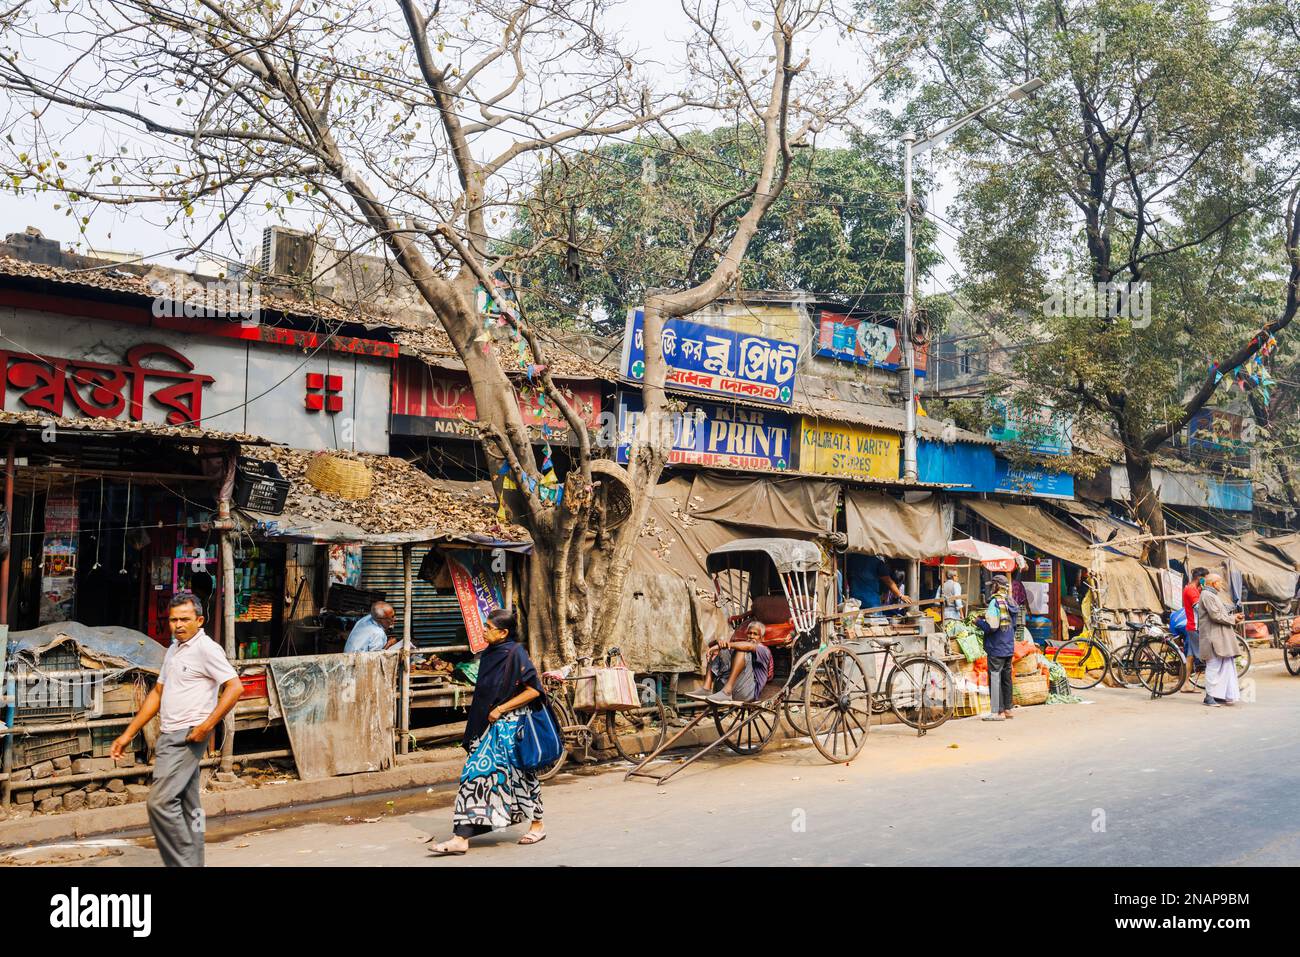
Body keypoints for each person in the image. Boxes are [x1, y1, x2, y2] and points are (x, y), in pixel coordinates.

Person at [111, 592, 243, 867]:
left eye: (184, 619)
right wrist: (128, 733)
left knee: (159, 803)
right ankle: (194, 862)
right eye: (173, 620)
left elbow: (234, 687)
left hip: (188, 734)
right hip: (170, 733)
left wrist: (206, 726)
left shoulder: (206, 648)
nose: (178, 625)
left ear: (199, 620)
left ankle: (182, 864)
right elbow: (158, 694)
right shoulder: (174, 649)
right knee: (188, 805)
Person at [429, 610, 545, 856]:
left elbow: (533, 691)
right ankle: (462, 837)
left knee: (521, 778)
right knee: (478, 778)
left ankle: (537, 824)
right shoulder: (490, 653)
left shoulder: (516, 653)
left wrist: (501, 708)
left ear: (503, 632)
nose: (482, 630)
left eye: (488, 627)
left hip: (509, 729)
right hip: (487, 728)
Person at [696, 621, 774, 705]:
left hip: (747, 693)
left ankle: (727, 691)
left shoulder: (763, 650)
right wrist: (719, 644)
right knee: (721, 650)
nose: (751, 636)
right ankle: (706, 688)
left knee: (741, 651)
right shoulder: (742, 645)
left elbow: (749, 646)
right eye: (749, 633)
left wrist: (726, 644)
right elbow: (715, 645)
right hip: (725, 688)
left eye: (755, 634)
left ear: (761, 638)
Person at [976, 574, 1019, 721]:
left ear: (996, 586)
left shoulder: (995, 602)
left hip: (996, 646)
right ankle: (1008, 709)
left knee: (994, 677)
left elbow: (992, 627)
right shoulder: (1011, 602)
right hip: (1008, 646)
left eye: (992, 585)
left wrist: (978, 622)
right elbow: (1012, 624)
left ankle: (997, 712)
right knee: (1006, 678)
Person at [1196, 573, 1243, 708]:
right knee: (1214, 666)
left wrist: (1234, 616)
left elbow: (1220, 614)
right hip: (1212, 637)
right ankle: (1209, 696)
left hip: (1218, 636)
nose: (1221, 585)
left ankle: (1219, 694)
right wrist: (1233, 619)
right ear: (1213, 583)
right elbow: (1216, 615)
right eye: (1219, 582)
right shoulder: (1207, 595)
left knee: (1223, 666)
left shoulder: (1212, 595)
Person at [847, 553, 911, 611]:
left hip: (854, 602)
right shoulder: (877, 562)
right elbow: (888, 581)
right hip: (871, 603)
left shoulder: (852, 559)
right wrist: (901, 596)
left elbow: (848, 577)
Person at [1179, 567, 1207, 694]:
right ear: (1200, 578)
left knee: (1189, 657)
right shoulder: (1191, 590)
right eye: (1205, 578)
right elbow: (1199, 608)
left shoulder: (1191, 588)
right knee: (1207, 655)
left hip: (1192, 626)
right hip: (1195, 627)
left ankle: (1185, 684)